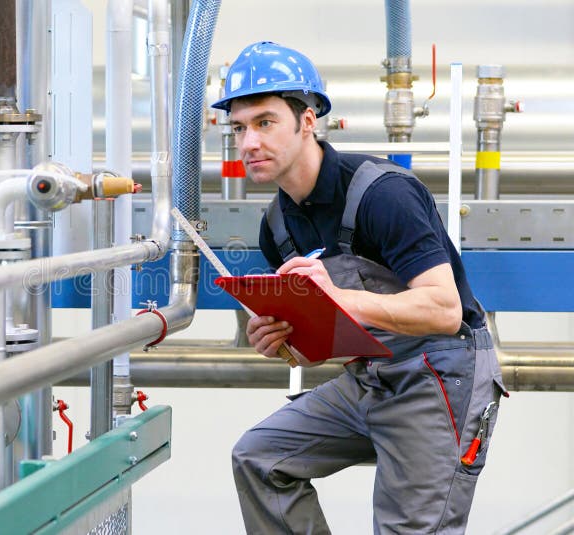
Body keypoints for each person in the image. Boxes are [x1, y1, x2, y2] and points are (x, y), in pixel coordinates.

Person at [211, 41, 508, 534]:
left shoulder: (383, 194)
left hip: (439, 378)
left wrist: (339, 298)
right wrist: (287, 343)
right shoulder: (277, 225)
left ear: (308, 120)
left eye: (265, 122)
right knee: (260, 458)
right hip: (371, 377)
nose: (248, 143)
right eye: (239, 128)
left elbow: (443, 310)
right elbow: (324, 344)